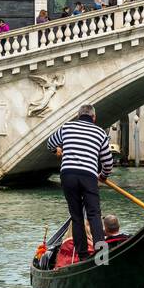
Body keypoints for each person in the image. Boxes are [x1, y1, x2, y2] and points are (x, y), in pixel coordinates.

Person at [45, 104, 114, 262]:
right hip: (89, 176)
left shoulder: (67, 127)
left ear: (78, 116)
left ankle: (83, 256)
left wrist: (57, 150)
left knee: (76, 217)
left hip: (68, 175)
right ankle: (101, 256)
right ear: (94, 117)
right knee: (94, 215)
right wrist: (103, 176)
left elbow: (50, 143)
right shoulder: (100, 133)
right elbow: (108, 162)